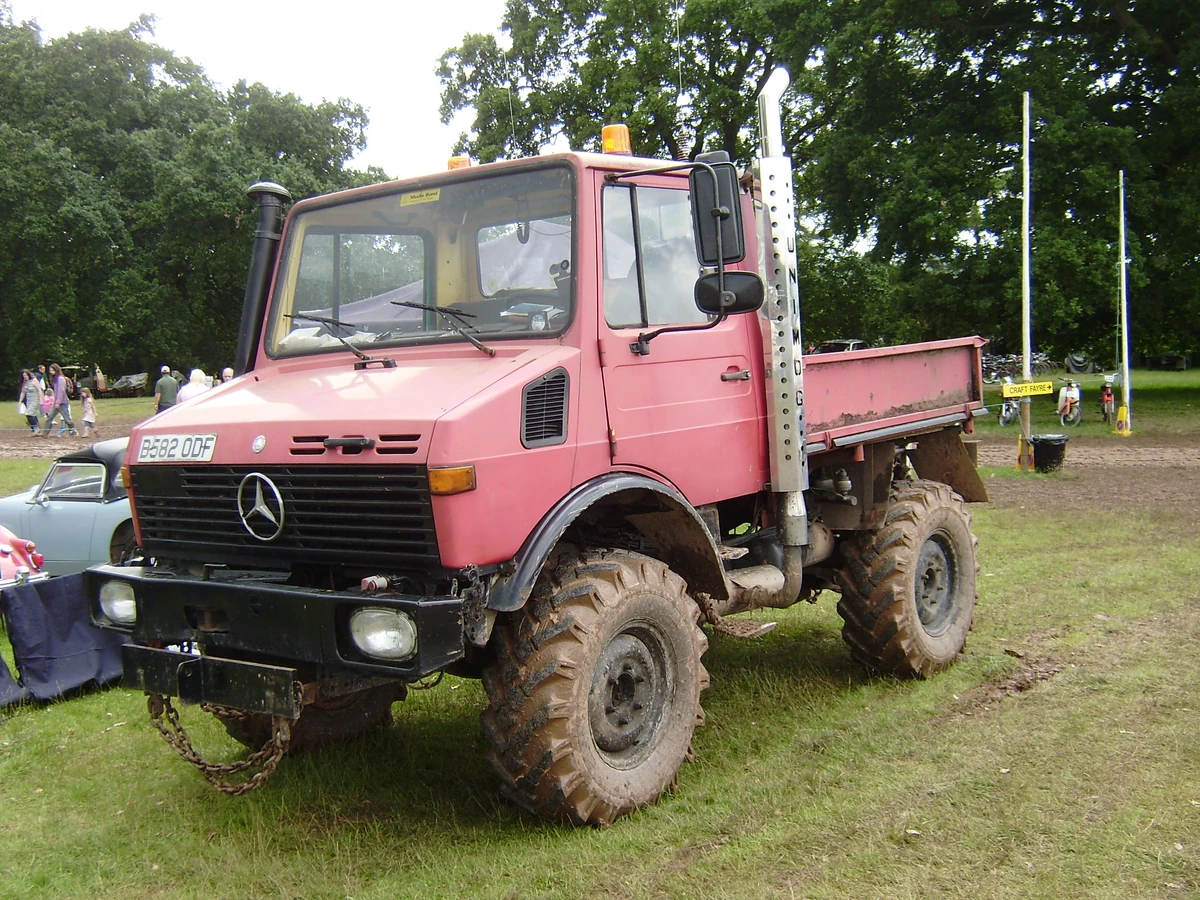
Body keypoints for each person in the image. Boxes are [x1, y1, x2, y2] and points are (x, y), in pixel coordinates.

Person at [39, 363, 77, 437]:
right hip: (56, 402)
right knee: (49, 417)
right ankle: (45, 434)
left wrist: (58, 402)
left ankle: (73, 432)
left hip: (62, 402)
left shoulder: (60, 379)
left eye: (52, 370)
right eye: (50, 370)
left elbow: (61, 391)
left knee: (67, 419)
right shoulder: (55, 379)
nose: (51, 371)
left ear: (56, 370)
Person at [18, 369, 41, 434]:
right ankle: (36, 428)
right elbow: (23, 392)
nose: (25, 377)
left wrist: (41, 400)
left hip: (35, 399)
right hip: (29, 401)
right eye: (23, 376)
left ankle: (36, 428)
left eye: (26, 375)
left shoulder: (34, 381)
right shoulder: (25, 383)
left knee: (29, 413)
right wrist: (20, 401)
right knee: (32, 414)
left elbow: (39, 390)